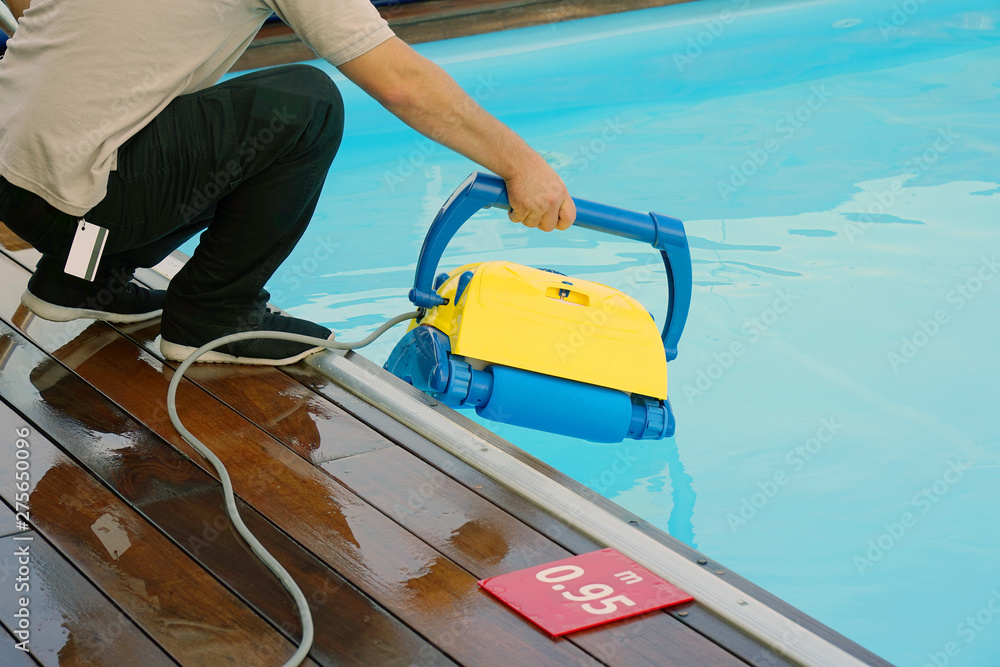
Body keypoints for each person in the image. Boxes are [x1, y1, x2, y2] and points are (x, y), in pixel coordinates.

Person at [0, 0, 576, 365]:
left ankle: (79, 277)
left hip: (19, 189)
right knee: (308, 103)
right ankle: (212, 317)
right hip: (94, 201)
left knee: (191, 110)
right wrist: (521, 164)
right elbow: (401, 83)